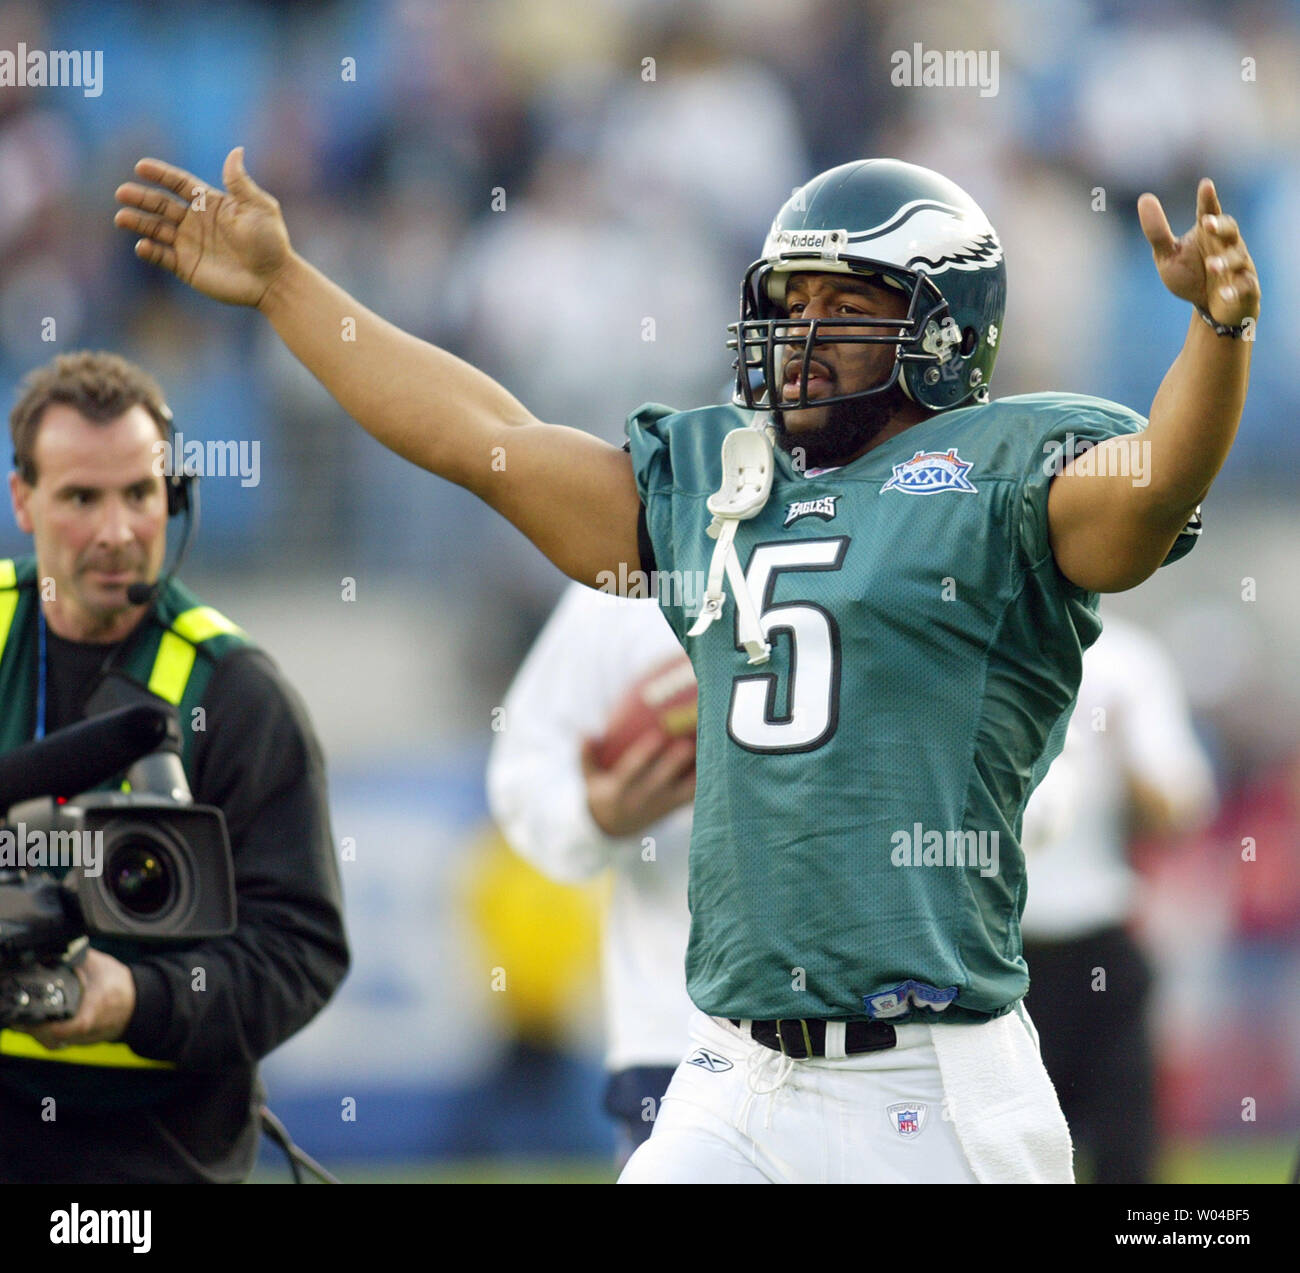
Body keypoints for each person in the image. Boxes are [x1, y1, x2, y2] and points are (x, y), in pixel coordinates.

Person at [113, 151, 1258, 1183]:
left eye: (843, 307)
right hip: (731, 1073)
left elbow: (1155, 484)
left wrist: (1214, 338)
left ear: (942, 329)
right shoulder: (722, 481)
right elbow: (484, 442)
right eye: (788, 303)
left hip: (933, 1082)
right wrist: (285, 286)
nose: (799, 335)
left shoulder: (1003, 472)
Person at [0, 351, 349, 1184]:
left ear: (175, 498)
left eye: (140, 494)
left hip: (162, 1155)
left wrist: (134, 997)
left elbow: (300, 952)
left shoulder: (236, 694)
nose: (118, 531)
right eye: (83, 497)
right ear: (24, 500)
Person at [487, 583, 696, 1166]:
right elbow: (524, 782)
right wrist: (597, 814)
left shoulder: (913, 530)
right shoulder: (632, 579)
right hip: (681, 1030)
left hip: (896, 1022)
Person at [1019, 614, 1215, 1183]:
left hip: (1097, 943)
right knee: (1004, 1157)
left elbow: (1181, 813)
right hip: (992, 951)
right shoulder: (967, 632)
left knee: (1128, 1155)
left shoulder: (1124, 661)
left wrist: (1125, 753)